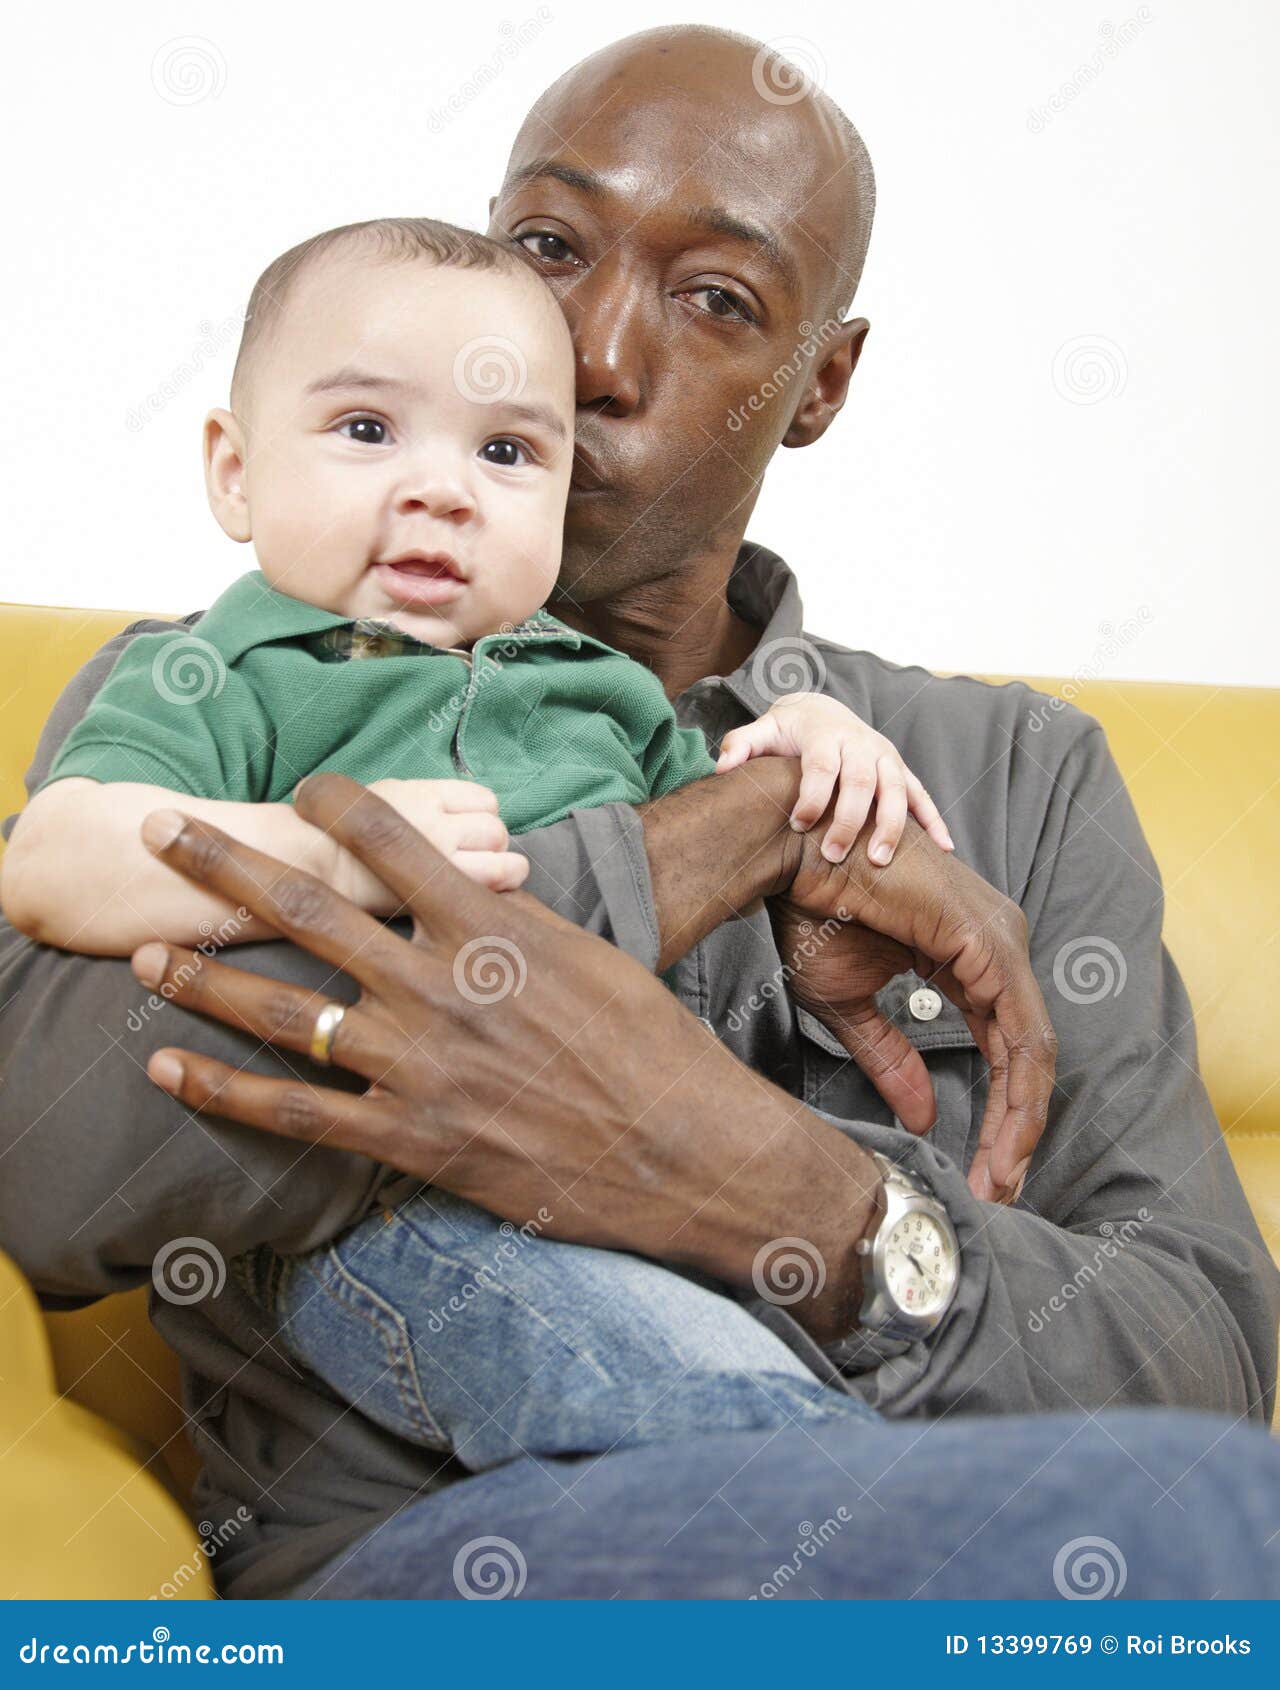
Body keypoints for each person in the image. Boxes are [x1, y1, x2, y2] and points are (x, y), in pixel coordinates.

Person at [1, 25, 1277, 1601]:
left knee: (1215, 1515)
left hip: (913, 1504)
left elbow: (1203, 1363)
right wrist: (703, 854)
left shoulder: (998, 771)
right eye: (546, 248)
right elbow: (43, 1165)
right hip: (447, 1552)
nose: (594, 352)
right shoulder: (220, 681)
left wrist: (780, 1184)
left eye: (716, 296)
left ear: (820, 385)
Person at [2, 213, 954, 1465]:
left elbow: (739, 838)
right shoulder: (215, 674)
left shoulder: (604, 696)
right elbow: (57, 859)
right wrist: (331, 849)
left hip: (660, 1202)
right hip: (386, 1215)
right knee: (742, 1433)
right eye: (364, 431)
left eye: (506, 451)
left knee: (806, 1410)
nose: (442, 487)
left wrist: (819, 740)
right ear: (234, 473)